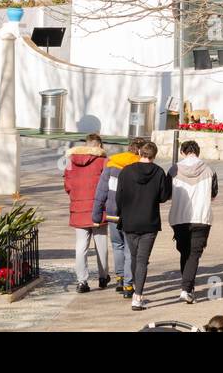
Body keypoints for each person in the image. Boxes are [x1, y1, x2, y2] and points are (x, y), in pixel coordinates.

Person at [115, 138, 174, 311]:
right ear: (154, 156)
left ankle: (133, 288)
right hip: (149, 221)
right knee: (142, 260)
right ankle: (138, 297)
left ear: (140, 153)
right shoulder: (158, 172)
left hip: (129, 221)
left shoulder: (126, 171)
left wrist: (121, 213)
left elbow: (119, 197)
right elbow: (163, 197)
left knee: (134, 258)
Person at [93, 137, 144, 299]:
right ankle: (129, 284)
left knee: (117, 245)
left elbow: (101, 191)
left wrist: (96, 214)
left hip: (113, 213)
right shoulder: (141, 167)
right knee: (130, 250)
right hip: (132, 214)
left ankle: (119, 278)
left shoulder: (112, 163)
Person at [168, 140, 218, 304]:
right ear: (198, 152)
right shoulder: (209, 170)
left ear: (182, 152)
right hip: (201, 217)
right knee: (193, 255)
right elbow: (213, 194)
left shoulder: (174, 170)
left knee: (185, 253)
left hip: (179, 217)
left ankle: (187, 288)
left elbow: (167, 192)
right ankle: (186, 289)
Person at [64, 133, 109, 293]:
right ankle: (103, 276)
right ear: (99, 146)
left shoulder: (70, 162)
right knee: (101, 244)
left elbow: (67, 184)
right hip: (99, 208)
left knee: (81, 246)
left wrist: (75, 196)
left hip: (78, 209)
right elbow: (107, 185)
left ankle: (82, 281)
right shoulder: (103, 161)